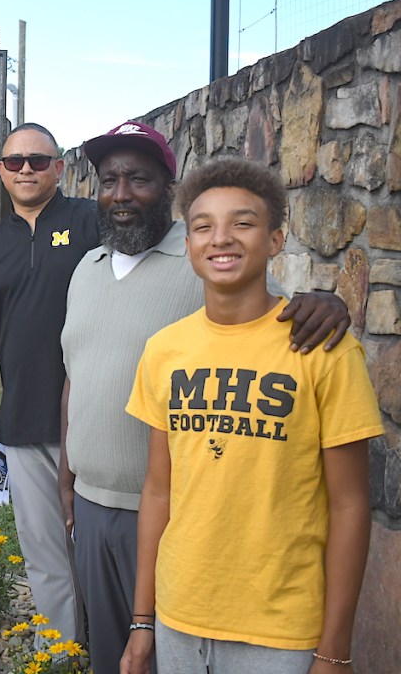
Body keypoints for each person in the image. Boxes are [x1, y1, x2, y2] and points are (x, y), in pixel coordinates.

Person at [60, 122, 352, 674]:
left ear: (167, 187)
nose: (121, 193)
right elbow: (73, 373)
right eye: (109, 180)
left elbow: (265, 313)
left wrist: (330, 304)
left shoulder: (199, 261)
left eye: (139, 179)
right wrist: (66, 478)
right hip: (96, 506)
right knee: (113, 656)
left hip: (177, 524)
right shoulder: (86, 269)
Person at [121, 157, 382, 674]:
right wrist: (143, 620)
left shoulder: (325, 351)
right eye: (203, 226)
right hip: (180, 617)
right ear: (189, 245)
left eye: (243, 223)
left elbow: (351, 506)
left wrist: (334, 649)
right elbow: (157, 490)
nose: (221, 238)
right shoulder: (164, 351)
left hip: (280, 629)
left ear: (276, 240)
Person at [0, 122, 98, 643]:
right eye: (14, 161)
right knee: (44, 554)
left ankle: (114, 649)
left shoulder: (93, 222)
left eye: (38, 161)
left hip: (97, 419)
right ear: (1, 171)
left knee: (102, 548)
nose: (25, 169)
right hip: (22, 426)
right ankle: (60, 653)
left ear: (59, 168)